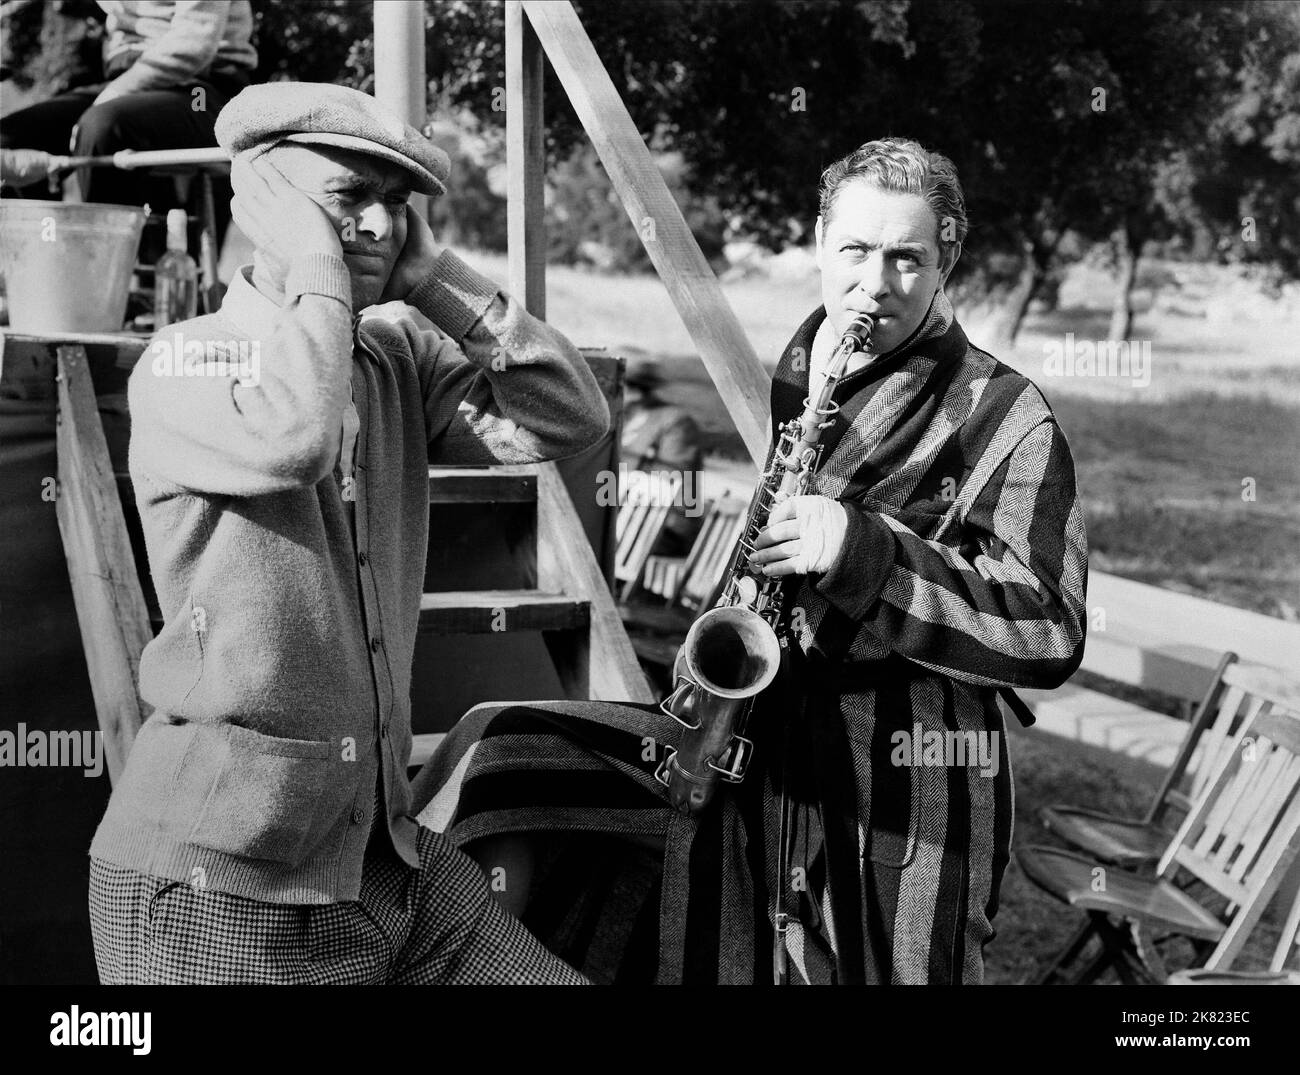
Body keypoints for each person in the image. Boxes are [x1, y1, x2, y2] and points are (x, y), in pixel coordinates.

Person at [412, 137, 1088, 985]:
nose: (874, 284)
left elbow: (1049, 628)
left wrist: (861, 549)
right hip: (763, 746)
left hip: (904, 786)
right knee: (501, 754)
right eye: (854, 251)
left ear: (947, 256)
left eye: (906, 258)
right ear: (816, 242)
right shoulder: (808, 366)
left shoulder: (1008, 413)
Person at [86, 82, 609, 984]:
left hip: (387, 857)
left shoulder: (391, 357)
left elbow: (570, 416)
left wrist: (435, 280)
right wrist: (318, 273)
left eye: (394, 205)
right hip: (223, 882)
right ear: (267, 205)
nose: (375, 225)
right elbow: (295, 436)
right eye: (345, 199)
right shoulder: (184, 360)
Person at [0, 1, 256, 249]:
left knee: (102, 126)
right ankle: (40, 269)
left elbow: (195, 44)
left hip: (202, 90)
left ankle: (104, 271)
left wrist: (119, 90)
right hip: (129, 81)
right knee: (13, 138)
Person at [621, 355, 704, 558]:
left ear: (633, 390)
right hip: (627, 519)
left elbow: (674, 481)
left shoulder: (675, 422)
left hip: (665, 526)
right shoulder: (622, 419)